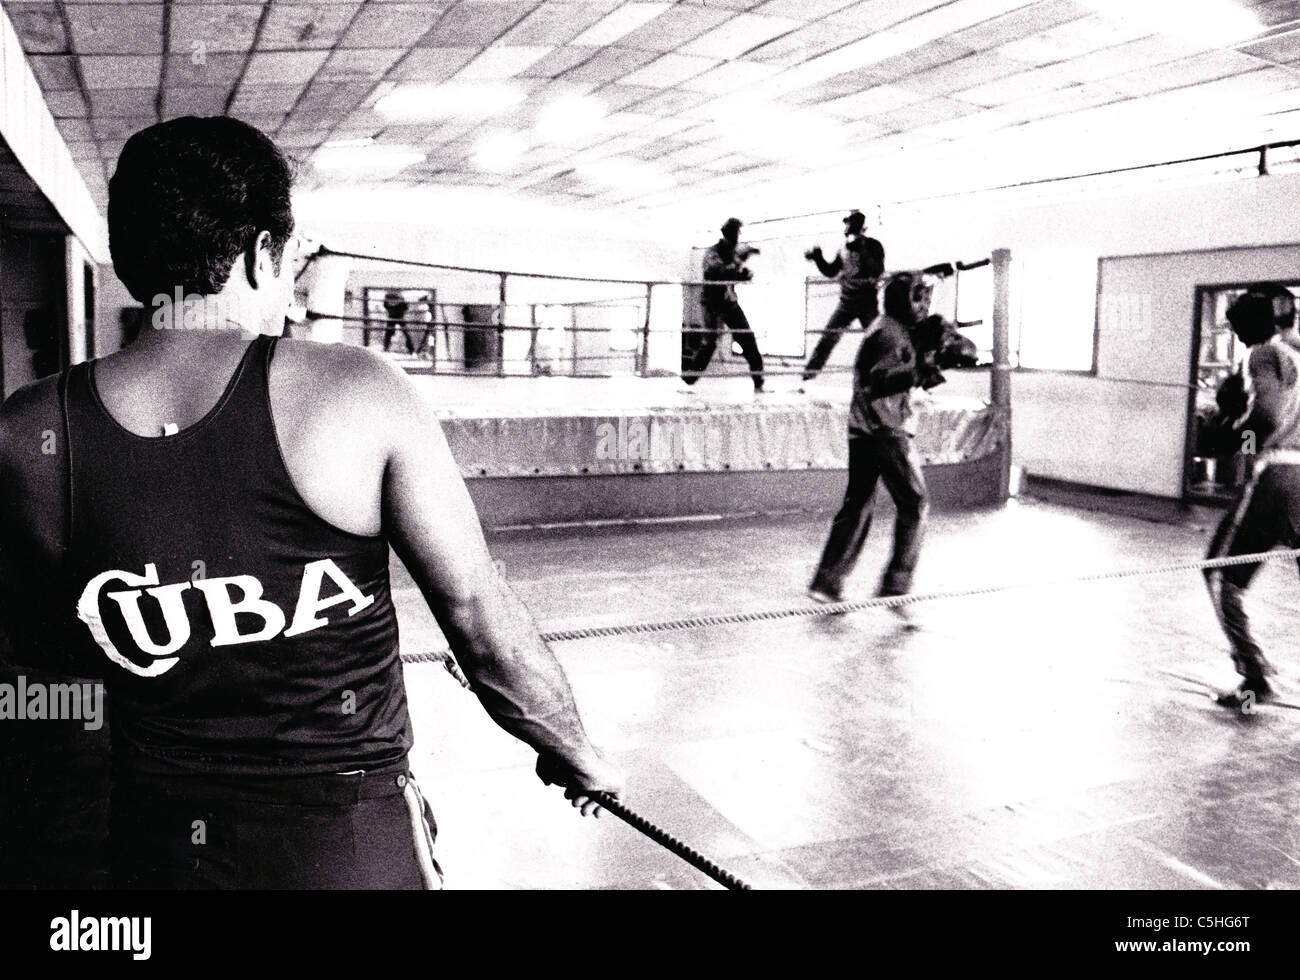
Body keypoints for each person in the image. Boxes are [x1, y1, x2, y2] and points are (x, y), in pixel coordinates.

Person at [0, 115, 623, 889]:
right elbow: (477, 617)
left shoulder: (26, 433)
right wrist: (577, 751)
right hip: (347, 847)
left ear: (127, 261)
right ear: (264, 253)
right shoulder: (356, 391)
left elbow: (39, 680)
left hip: (156, 845)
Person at [808, 272, 931, 624]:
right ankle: (895, 588)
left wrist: (922, 369)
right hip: (884, 431)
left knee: (858, 505)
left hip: (864, 430)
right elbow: (879, 383)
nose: (923, 306)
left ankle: (826, 583)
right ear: (904, 300)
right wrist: (917, 372)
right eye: (918, 298)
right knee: (915, 503)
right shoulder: (889, 334)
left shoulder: (885, 328)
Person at [1203, 283, 1300, 711]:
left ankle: (1254, 676)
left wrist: (1232, 439)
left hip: (1279, 477)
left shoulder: (1262, 353)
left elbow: (1265, 417)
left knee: (1221, 572)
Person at [802, 209, 885, 385]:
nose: (847, 228)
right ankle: (808, 376)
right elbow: (831, 271)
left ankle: (884, 376)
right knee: (828, 338)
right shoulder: (844, 249)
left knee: (878, 340)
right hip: (847, 302)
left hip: (867, 303)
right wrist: (818, 257)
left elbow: (877, 271)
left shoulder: (873, 246)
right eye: (847, 224)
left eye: (850, 225)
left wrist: (862, 251)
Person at [682, 217, 765, 393]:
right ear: (729, 235)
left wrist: (745, 270)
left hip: (729, 303)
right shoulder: (712, 253)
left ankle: (759, 381)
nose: (737, 238)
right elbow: (720, 272)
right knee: (710, 343)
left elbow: (734, 269)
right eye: (736, 234)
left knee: (747, 339)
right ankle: (688, 379)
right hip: (712, 304)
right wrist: (740, 267)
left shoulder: (732, 253)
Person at [383, 289, 416, 354]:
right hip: (394, 316)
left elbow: (405, 307)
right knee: (389, 333)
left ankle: (411, 350)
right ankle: (386, 348)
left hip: (397, 316)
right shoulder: (390, 296)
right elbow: (386, 305)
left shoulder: (398, 297)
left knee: (406, 333)